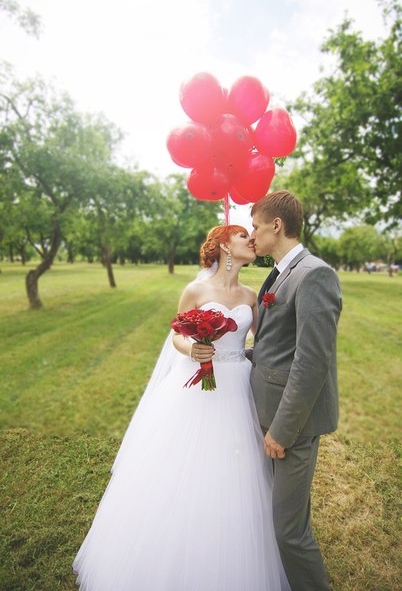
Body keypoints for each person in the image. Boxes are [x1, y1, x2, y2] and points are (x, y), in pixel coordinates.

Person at [73, 224, 290, 591]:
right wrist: (193, 349)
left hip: (239, 387)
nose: (251, 240)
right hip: (197, 386)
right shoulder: (196, 290)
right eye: (242, 236)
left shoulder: (251, 295)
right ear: (224, 245)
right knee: (187, 462)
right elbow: (176, 334)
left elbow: (262, 339)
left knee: (237, 466)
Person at [250, 190, 342, 591]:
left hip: (291, 427)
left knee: (290, 531)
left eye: (256, 227)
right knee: (282, 517)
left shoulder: (314, 274)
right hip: (269, 414)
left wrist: (282, 431)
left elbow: (311, 363)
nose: (252, 235)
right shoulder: (279, 271)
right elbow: (276, 345)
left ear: (277, 225)